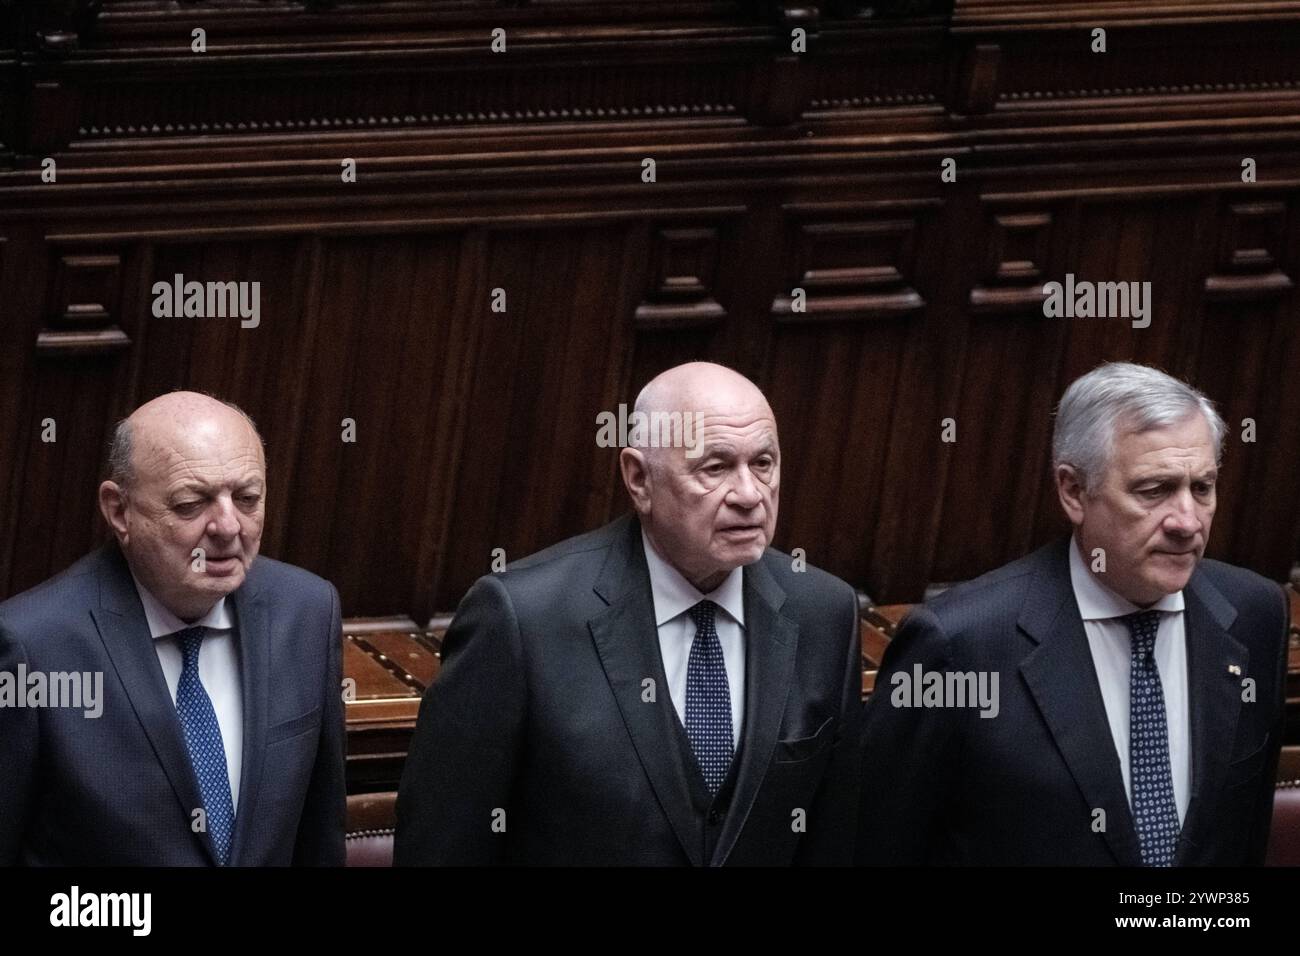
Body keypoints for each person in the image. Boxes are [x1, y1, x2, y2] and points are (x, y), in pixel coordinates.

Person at [396, 362, 862, 865]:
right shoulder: (521, 620)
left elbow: (838, 839)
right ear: (639, 479)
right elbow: (441, 848)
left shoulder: (825, 612)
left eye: (764, 463)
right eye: (716, 467)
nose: (750, 495)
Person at [858, 362, 1289, 866]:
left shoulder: (1254, 613)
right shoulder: (960, 644)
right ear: (1073, 491)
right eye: (1154, 490)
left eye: (1203, 487)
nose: (1187, 522)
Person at [0, 392, 345, 865]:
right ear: (119, 511)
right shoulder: (33, 646)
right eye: (190, 504)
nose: (228, 527)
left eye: (247, 498)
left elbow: (319, 839)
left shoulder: (307, 612)